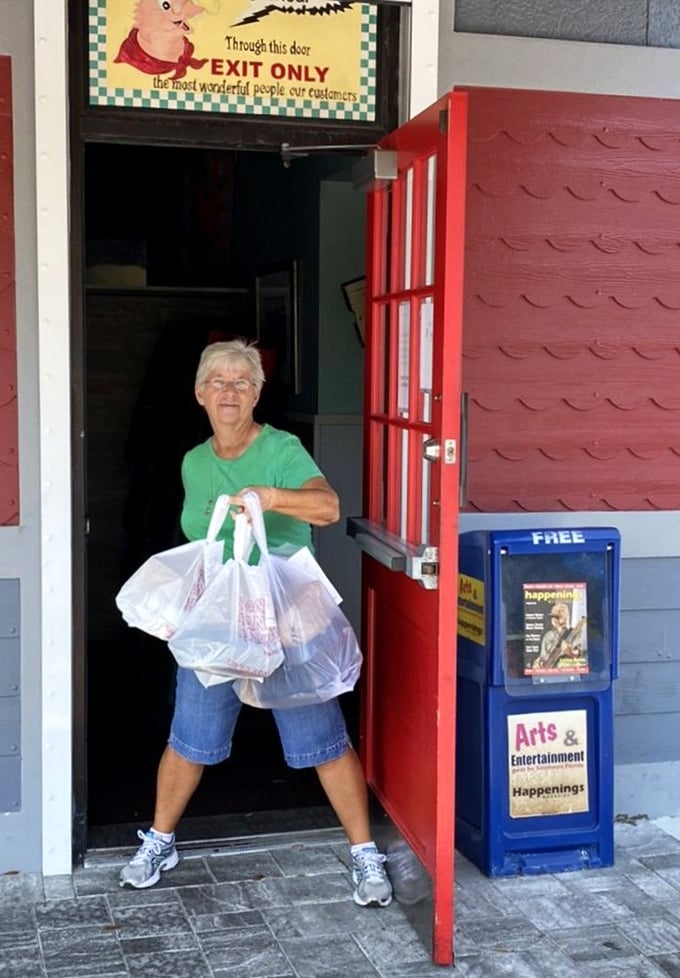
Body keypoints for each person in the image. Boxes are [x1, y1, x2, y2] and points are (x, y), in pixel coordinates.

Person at [119, 339, 393, 908]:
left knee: (323, 739)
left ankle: (366, 851)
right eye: (218, 381)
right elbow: (202, 542)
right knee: (189, 736)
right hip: (220, 616)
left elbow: (327, 506)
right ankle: (160, 840)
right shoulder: (195, 462)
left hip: (287, 617)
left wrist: (270, 496)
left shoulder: (281, 448)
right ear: (199, 394)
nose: (229, 391)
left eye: (242, 382)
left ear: (257, 394)